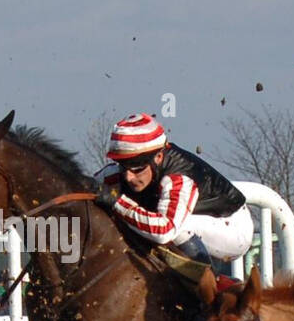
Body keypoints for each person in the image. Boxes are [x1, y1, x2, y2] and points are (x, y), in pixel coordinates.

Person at [95, 113, 253, 271]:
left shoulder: (179, 178)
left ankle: (206, 288)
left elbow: (164, 231)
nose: (129, 177)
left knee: (177, 230)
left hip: (231, 227)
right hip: (192, 220)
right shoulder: (119, 174)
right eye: (123, 167)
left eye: (137, 169)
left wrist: (118, 203)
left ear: (158, 157)